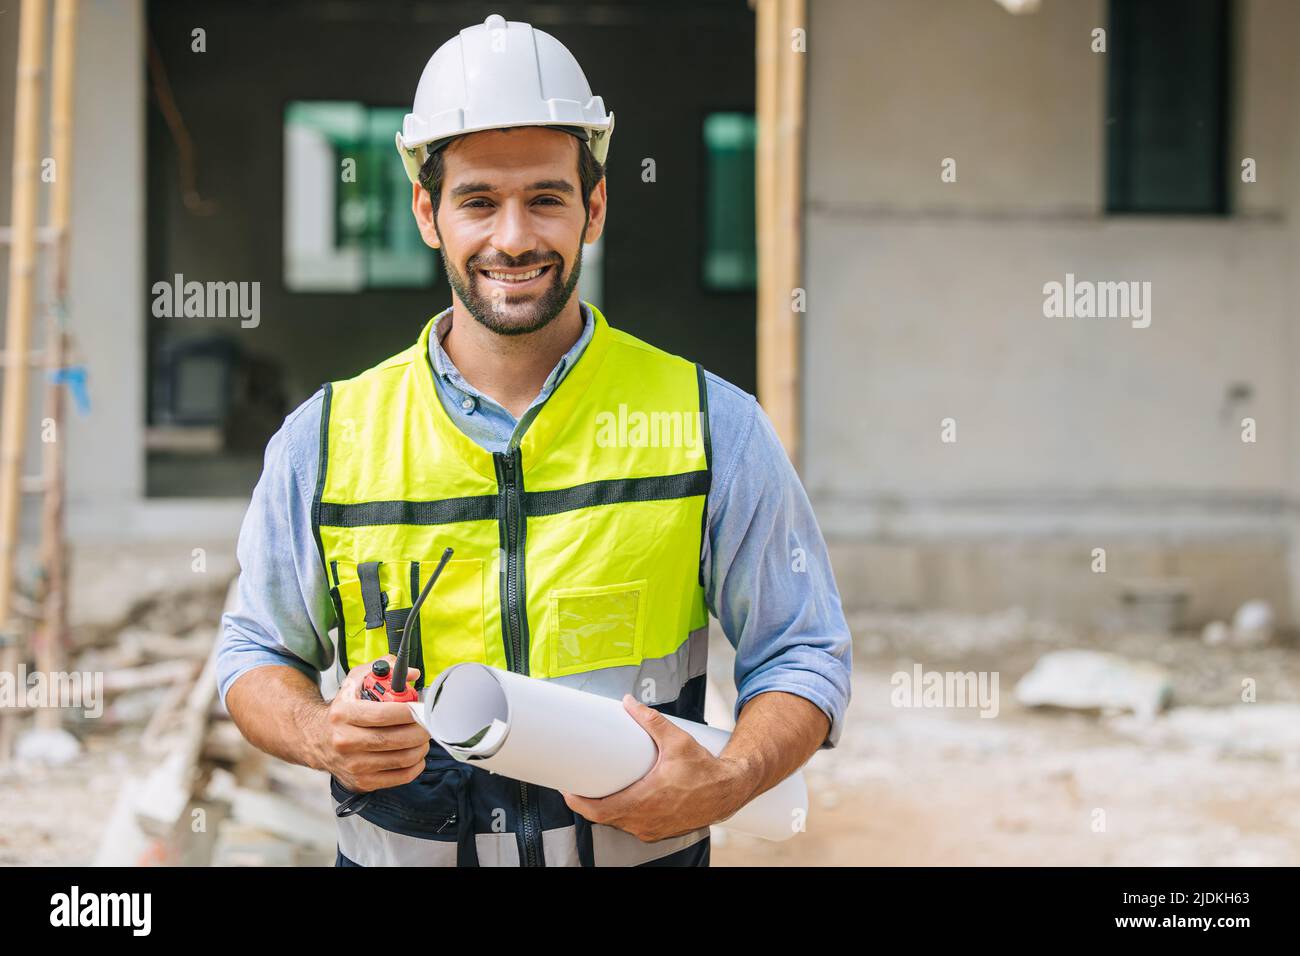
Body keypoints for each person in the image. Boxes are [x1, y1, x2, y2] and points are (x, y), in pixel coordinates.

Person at [219, 13, 851, 867]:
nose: (512, 238)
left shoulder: (707, 425)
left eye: (544, 198)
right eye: (478, 201)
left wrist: (730, 776)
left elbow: (804, 650)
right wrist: (318, 731)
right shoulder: (326, 441)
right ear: (427, 212)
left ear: (593, 206)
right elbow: (256, 652)